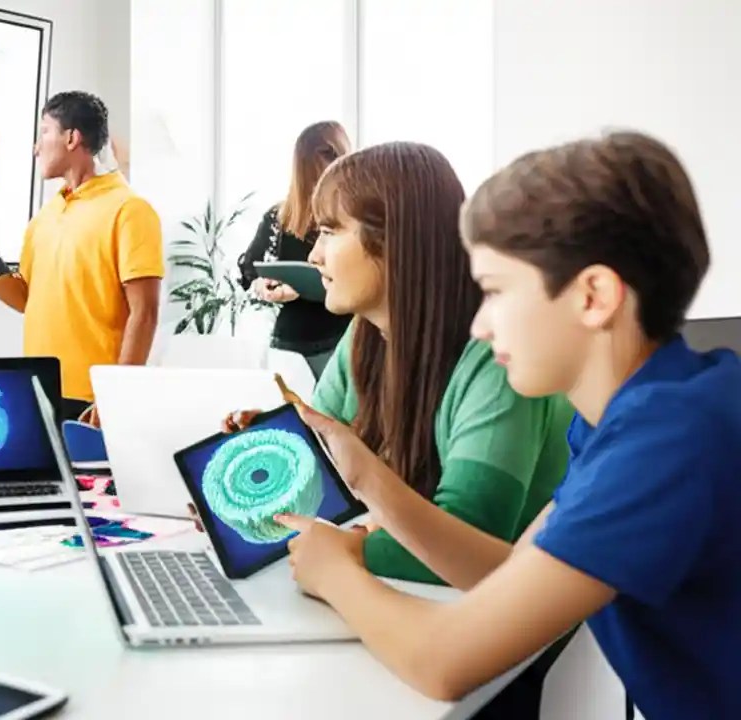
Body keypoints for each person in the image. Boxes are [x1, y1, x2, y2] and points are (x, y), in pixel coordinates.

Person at [275, 131, 741, 718]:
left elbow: (443, 663)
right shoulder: (630, 421)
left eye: (496, 292)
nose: (480, 325)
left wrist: (337, 573)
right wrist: (363, 477)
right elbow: (505, 572)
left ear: (593, 296)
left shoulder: (666, 444)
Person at [226, 142, 572, 585]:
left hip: (493, 612)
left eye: (329, 232)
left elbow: (470, 542)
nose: (314, 255)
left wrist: (347, 550)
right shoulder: (364, 335)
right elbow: (326, 472)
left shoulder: (496, 358)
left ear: (394, 242)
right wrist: (247, 514)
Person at [0, 92, 163, 425]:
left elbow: (145, 312)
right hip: (39, 388)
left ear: (71, 138)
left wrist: (116, 396)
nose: (36, 147)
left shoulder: (130, 210)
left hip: (93, 397)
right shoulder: (45, 216)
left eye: (44, 132)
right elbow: (26, 298)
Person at [236, 121, 353, 377]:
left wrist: (303, 289)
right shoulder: (277, 218)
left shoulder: (357, 221)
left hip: (342, 342)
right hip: (289, 346)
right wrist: (263, 285)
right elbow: (248, 272)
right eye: (312, 175)